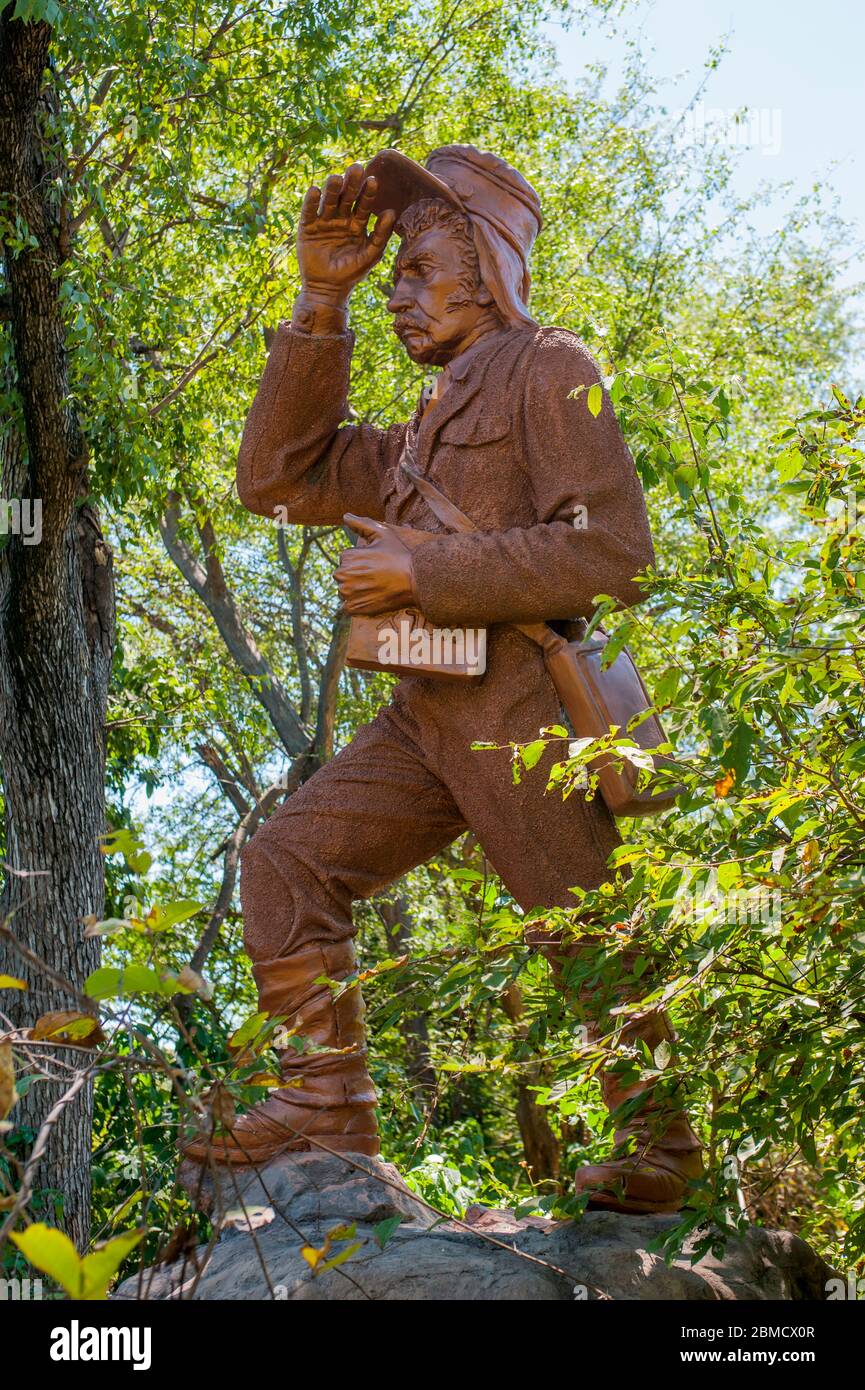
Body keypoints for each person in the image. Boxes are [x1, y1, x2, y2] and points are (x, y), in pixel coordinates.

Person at [181, 146, 702, 1214]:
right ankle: (324, 1095)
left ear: (489, 265)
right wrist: (321, 303)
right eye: (395, 278)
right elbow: (274, 481)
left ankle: (663, 1146)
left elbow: (615, 553)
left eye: (418, 269)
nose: (402, 293)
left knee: (580, 923)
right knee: (288, 859)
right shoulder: (424, 420)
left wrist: (426, 565)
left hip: (523, 714)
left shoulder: (553, 366)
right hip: (427, 713)